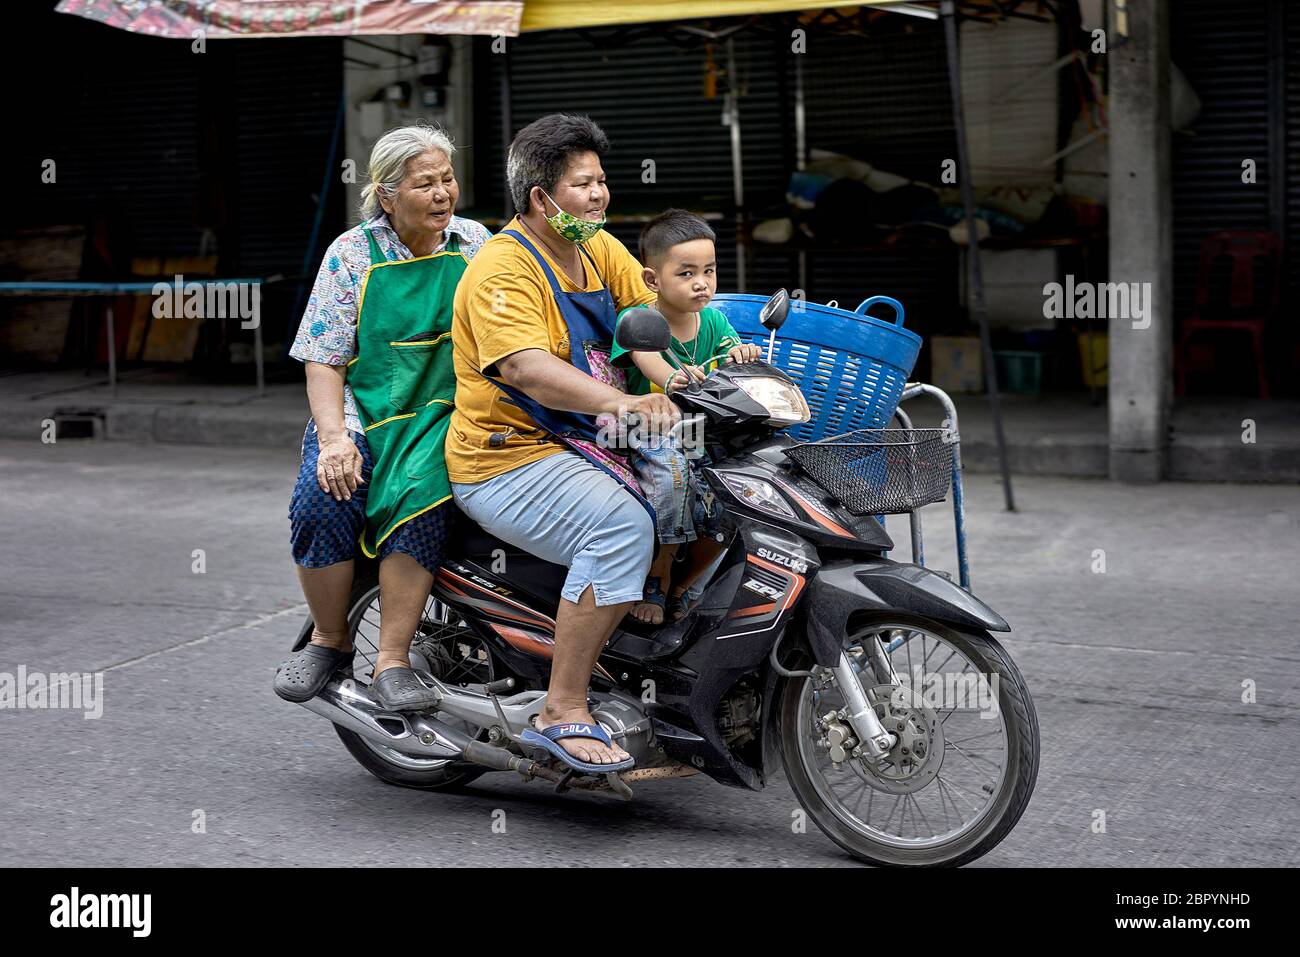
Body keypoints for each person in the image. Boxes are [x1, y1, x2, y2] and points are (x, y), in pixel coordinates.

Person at [448, 114, 677, 774]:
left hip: (585, 437)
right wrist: (625, 401)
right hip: (507, 453)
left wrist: (700, 367)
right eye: (584, 184)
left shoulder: (598, 249)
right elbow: (522, 366)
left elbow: (650, 323)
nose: (601, 195)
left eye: (602, 181)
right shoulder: (503, 267)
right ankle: (563, 706)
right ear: (540, 198)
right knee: (622, 528)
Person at [274, 125, 490, 712]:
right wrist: (335, 437)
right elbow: (324, 357)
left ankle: (392, 660)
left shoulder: (473, 242)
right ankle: (328, 637)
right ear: (387, 194)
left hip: (444, 410)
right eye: (426, 183)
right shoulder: (351, 253)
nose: (444, 193)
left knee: (423, 497)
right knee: (324, 495)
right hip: (364, 413)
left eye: (447, 179)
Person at [610, 209, 760, 624]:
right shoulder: (639, 320)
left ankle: (686, 586)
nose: (701, 283)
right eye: (687, 273)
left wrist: (742, 354)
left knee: (743, 492)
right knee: (673, 475)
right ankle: (657, 574)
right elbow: (647, 358)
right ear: (652, 280)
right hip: (645, 426)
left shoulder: (712, 319)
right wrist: (673, 378)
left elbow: (733, 351)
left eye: (709, 271)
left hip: (697, 429)